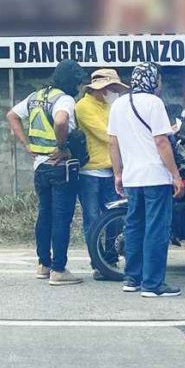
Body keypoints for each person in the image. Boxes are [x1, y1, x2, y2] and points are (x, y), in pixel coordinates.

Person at [7, 59, 87, 286]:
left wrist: (26, 145)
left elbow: (11, 115)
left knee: (45, 215)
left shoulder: (37, 96)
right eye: (78, 82)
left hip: (40, 167)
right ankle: (59, 269)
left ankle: (43, 264)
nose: (79, 87)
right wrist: (62, 147)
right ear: (70, 81)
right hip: (61, 168)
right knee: (61, 218)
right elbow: (61, 121)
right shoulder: (64, 99)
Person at [108, 62, 185, 298]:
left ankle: (133, 278)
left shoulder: (118, 104)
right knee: (156, 228)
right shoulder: (154, 103)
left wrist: (118, 173)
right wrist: (175, 175)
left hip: (132, 177)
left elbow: (113, 141)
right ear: (154, 80)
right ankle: (153, 284)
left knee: (134, 226)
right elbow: (161, 142)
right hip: (155, 176)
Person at [75, 68, 128, 279]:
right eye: (112, 88)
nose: (114, 92)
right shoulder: (83, 107)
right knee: (92, 219)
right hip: (89, 172)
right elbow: (108, 135)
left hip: (109, 170)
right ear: (102, 89)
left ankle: (110, 258)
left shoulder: (108, 106)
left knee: (115, 218)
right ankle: (97, 263)